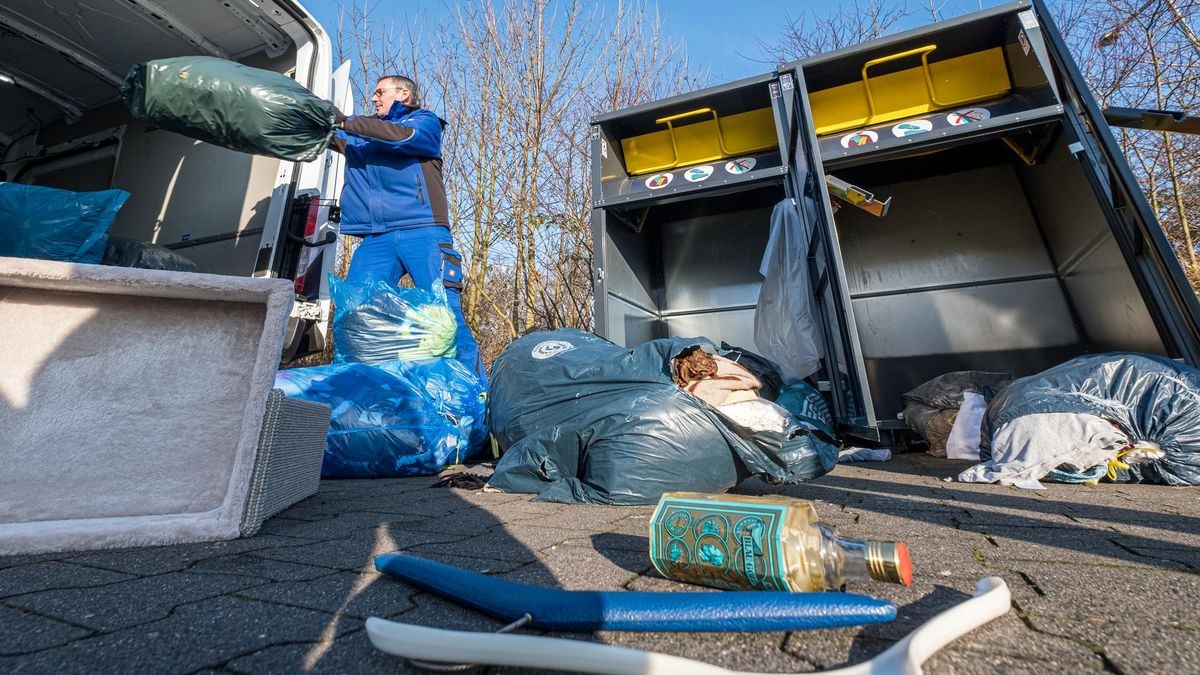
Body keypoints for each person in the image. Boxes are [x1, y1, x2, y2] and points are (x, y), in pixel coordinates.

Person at [330, 75, 486, 386]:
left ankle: (474, 401)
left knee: (447, 317)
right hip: (376, 239)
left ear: (403, 93)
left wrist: (346, 121)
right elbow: (333, 137)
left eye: (380, 92)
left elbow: (400, 136)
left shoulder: (423, 122)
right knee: (355, 318)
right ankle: (360, 399)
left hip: (423, 231)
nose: (374, 98)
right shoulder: (362, 134)